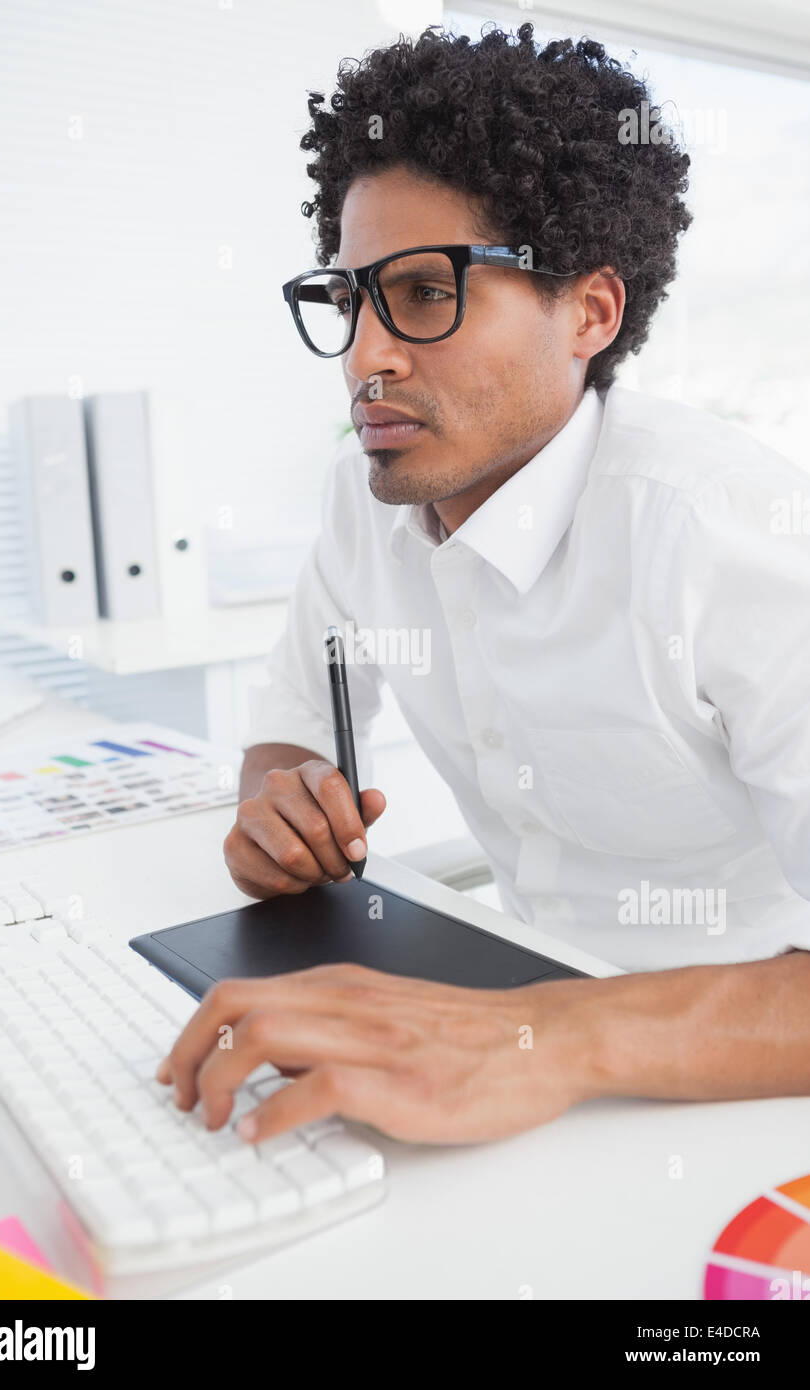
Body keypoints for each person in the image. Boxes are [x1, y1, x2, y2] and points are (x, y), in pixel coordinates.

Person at [158, 24, 810, 1145]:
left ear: (589, 314)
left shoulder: (726, 538)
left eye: (421, 293)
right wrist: (275, 807)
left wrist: (551, 1039)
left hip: (732, 1082)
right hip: (507, 1012)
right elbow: (289, 736)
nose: (366, 354)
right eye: (347, 299)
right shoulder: (362, 503)